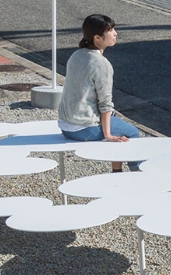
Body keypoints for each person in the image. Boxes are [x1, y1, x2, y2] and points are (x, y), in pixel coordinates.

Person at [58, 14, 140, 172]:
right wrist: (108, 135)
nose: (115, 33)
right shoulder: (101, 64)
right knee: (132, 133)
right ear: (97, 38)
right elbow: (105, 103)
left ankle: (117, 172)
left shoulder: (76, 55)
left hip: (65, 125)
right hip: (83, 128)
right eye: (111, 30)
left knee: (116, 122)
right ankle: (138, 172)